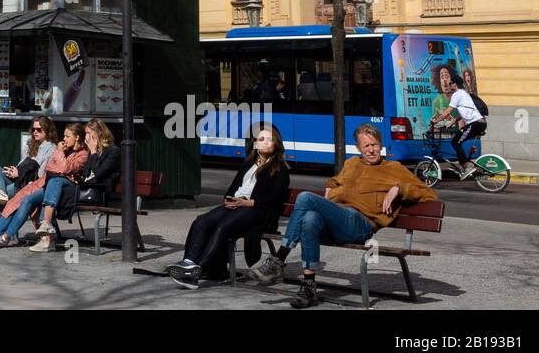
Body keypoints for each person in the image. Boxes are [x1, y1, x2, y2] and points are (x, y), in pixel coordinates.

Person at [248, 123, 437, 308]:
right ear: (358, 148)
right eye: (366, 146)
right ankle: (308, 287)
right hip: (337, 223)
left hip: (359, 225)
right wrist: (331, 187)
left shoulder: (394, 168)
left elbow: (428, 194)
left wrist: (398, 188)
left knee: (305, 197)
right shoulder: (352, 163)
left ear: (381, 145)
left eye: (375, 145)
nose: (371, 150)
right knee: (309, 219)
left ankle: (278, 260)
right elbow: (336, 181)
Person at [168, 124, 290, 289]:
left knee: (223, 227)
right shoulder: (248, 164)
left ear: (276, 144)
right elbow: (233, 188)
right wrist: (230, 200)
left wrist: (247, 202)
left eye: (270, 139)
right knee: (202, 221)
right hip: (238, 205)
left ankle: (197, 271)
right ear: (254, 144)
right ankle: (189, 262)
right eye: (261, 139)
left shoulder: (280, 168)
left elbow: (275, 198)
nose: (266, 142)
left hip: (259, 211)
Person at [0, 123, 88, 249]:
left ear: (76, 137)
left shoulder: (81, 154)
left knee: (14, 198)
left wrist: (59, 153)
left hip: (60, 187)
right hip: (45, 182)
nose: (64, 139)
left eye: (67, 136)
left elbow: (64, 168)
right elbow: (51, 168)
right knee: (21, 199)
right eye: (33, 129)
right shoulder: (62, 149)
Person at [27, 119, 122, 252]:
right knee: (39, 193)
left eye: (88, 133)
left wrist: (94, 153)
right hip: (81, 189)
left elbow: (99, 174)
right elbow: (85, 173)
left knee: (54, 183)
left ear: (98, 133)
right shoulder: (91, 151)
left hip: (96, 192)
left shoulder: (113, 151)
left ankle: (47, 236)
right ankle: (46, 234)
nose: (86, 136)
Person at [0, 117, 58, 243]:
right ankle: (1, 192)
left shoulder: (50, 148)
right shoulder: (32, 145)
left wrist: (19, 173)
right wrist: (13, 171)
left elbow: (40, 175)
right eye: (33, 129)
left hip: (30, 184)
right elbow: (22, 165)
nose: (35, 132)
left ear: (47, 130)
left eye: (39, 129)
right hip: (19, 179)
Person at [429, 69, 486, 176]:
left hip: (475, 124)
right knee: (458, 139)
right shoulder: (463, 93)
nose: (449, 84)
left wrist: (436, 120)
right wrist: (453, 121)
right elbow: (464, 111)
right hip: (480, 123)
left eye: (450, 83)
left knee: (455, 142)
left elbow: (447, 112)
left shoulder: (456, 95)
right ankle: (464, 164)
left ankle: (467, 166)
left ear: (455, 84)